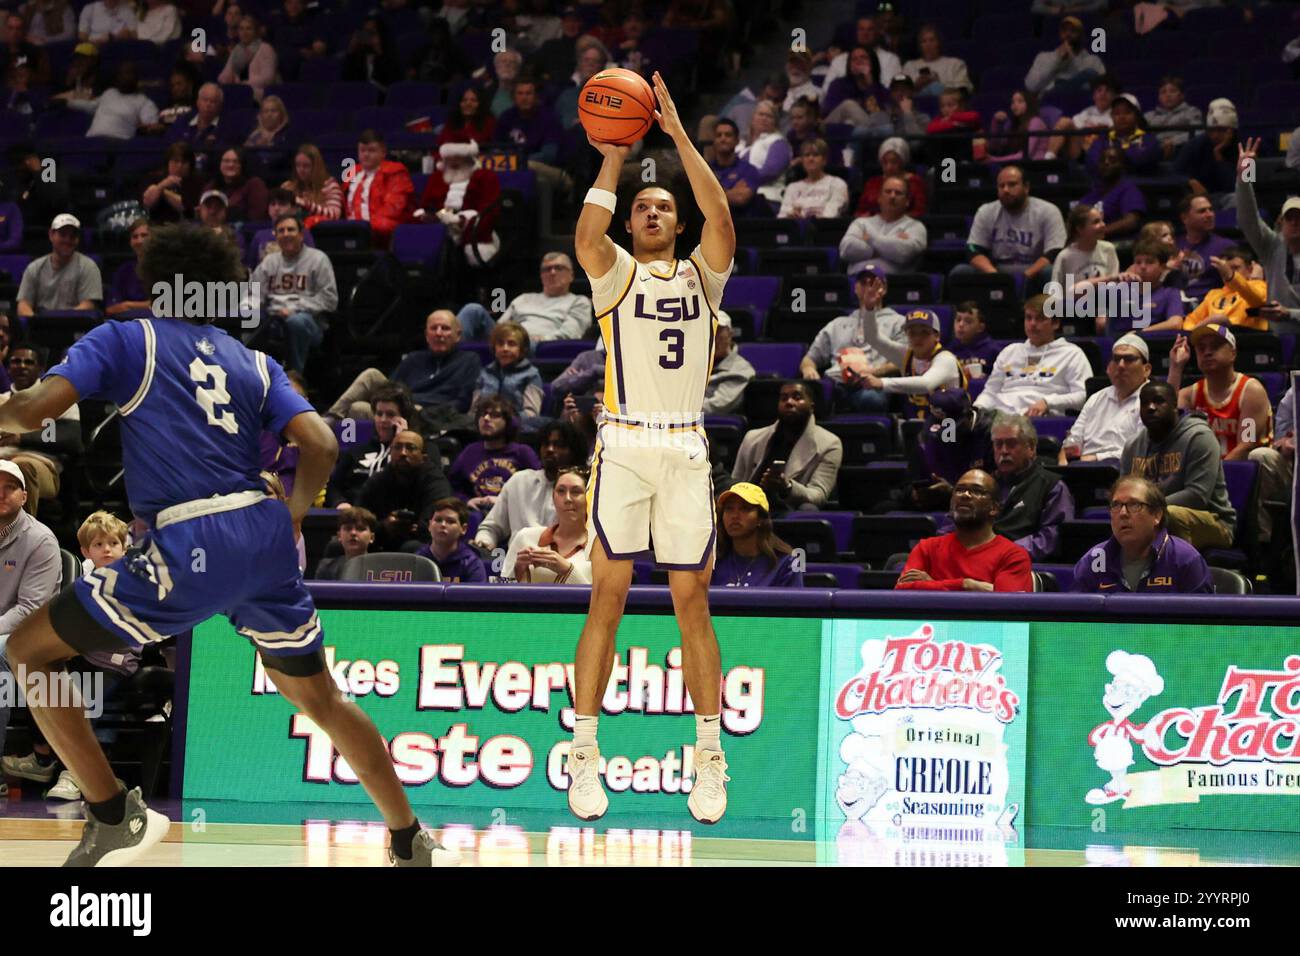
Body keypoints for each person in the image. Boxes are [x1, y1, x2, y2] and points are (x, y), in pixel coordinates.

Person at [0, 223, 459, 866]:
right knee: (319, 696)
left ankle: (111, 815)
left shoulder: (129, 339)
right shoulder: (256, 362)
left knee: (28, 650)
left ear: (160, 286)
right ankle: (410, 838)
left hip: (191, 534)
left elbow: (34, 412)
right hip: (263, 534)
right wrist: (297, 516)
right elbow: (322, 445)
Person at [567, 71, 735, 825]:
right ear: (632, 225)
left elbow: (721, 211)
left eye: (665, 206)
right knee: (607, 595)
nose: (655, 212)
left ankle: (708, 757)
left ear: (677, 221)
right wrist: (613, 152)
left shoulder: (706, 275)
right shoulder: (616, 275)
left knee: (690, 600)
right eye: (644, 207)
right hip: (625, 444)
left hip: (687, 450)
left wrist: (675, 137)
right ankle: (585, 751)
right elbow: (583, 236)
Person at [3, 509, 143, 801]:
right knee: (41, 684)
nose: (107, 549)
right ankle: (42, 759)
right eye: (99, 545)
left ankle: (74, 775)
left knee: (84, 697)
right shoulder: (82, 579)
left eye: (113, 544)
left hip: (115, 660)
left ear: (124, 547)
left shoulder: (132, 579)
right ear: (85, 551)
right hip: (82, 655)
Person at [0, 460, 63, 799]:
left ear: (24, 495)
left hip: (28, 637)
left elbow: (29, 611)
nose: (0, 492)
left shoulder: (41, 541)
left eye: (9, 487)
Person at [1121, 380, 1236, 550]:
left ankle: (1177, 573)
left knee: (1170, 515)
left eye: (1159, 401)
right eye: (1145, 403)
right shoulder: (1133, 445)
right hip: (1150, 516)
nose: (1151, 407)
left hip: (1213, 521)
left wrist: (1147, 509)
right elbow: (1124, 492)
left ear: (1175, 406)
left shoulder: (1199, 437)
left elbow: (1197, 496)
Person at [327, 310, 481, 422]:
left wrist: (425, 409)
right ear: (427, 336)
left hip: (428, 416)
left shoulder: (469, 360)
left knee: (361, 407)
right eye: (434, 328)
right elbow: (389, 391)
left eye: (445, 328)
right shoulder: (414, 358)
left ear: (458, 335)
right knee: (365, 389)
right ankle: (329, 421)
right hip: (400, 406)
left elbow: (462, 402)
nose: (439, 333)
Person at [896, 469, 1033, 592]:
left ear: (994, 508)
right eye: (959, 490)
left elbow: (1008, 605)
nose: (965, 495)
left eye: (977, 491)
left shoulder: (1013, 556)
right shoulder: (927, 548)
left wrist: (933, 585)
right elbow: (902, 590)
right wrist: (967, 585)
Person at [1072, 477, 1213, 593]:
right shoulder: (1094, 560)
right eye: (1116, 505)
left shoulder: (1186, 559)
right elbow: (1073, 620)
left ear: (1157, 515)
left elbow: (1203, 625)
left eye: (1134, 505)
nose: (1123, 513)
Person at [969, 413, 1075, 561]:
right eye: (999, 444)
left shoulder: (1052, 486)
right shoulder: (983, 484)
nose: (1004, 451)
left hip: (1020, 567)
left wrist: (1002, 552)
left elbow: (1051, 539)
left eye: (1011, 444)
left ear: (1031, 447)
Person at [800, 266, 905, 412]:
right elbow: (809, 359)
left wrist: (872, 372)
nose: (868, 288)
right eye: (863, 283)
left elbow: (904, 359)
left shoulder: (898, 322)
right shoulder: (837, 323)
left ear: (884, 289)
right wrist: (809, 369)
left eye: (873, 283)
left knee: (871, 400)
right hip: (834, 384)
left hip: (870, 384)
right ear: (855, 288)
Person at [471, 419, 585, 551]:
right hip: (516, 563)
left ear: (573, 450)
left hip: (562, 564)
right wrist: (484, 542)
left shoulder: (583, 489)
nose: (550, 449)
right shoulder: (519, 481)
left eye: (558, 445)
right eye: (546, 444)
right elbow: (491, 527)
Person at [732, 380, 843, 512]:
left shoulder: (829, 444)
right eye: (783, 398)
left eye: (797, 397)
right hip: (749, 509)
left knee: (808, 509)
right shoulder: (753, 438)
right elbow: (736, 482)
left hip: (789, 511)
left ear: (811, 405)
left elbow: (818, 496)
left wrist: (787, 487)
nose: (789, 402)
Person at [955, 165, 1066, 296]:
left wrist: (1025, 276)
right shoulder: (986, 211)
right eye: (1001, 186)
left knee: (1051, 271)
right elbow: (973, 250)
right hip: (997, 270)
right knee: (961, 271)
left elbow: (1055, 253)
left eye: (1012, 184)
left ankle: (1053, 314)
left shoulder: (1048, 211)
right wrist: (995, 276)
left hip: (1035, 271)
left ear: (1026, 187)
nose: (1006, 190)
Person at [248, 213, 338, 374]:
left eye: (291, 230)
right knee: (248, 321)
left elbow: (329, 299)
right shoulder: (270, 262)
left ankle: (295, 378)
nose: (286, 234)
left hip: (310, 321)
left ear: (301, 235)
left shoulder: (318, 259)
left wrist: (295, 308)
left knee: (296, 322)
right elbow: (254, 295)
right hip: (274, 319)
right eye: (281, 231)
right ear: (276, 236)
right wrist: (244, 310)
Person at [0, 343, 84, 514]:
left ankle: (22, 536)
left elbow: (70, 438)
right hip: (3, 460)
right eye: (16, 361)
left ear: (40, 368)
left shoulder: (55, 399)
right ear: (8, 368)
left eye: (28, 362)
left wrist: (20, 438)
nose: (22, 366)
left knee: (20, 467)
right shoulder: (2, 401)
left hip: (40, 464)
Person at [975, 294, 1091, 417]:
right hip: (1000, 418)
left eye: (1040, 318)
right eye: (1028, 318)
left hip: (1042, 418)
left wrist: (1049, 402)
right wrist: (975, 410)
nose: (1033, 324)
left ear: (1055, 323)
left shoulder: (1071, 354)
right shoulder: (1009, 352)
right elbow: (990, 392)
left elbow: (1083, 396)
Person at [849, 308, 966, 416]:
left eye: (924, 332)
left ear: (937, 336)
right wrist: (869, 309)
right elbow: (873, 339)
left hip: (950, 425)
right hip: (917, 427)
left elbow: (926, 384)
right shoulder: (906, 355)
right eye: (912, 333)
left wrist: (882, 383)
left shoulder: (946, 359)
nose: (917, 338)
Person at [455, 252, 592, 345]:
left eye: (559, 268)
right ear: (541, 276)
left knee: (524, 343)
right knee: (472, 310)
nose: (552, 272)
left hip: (538, 344)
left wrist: (531, 339)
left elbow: (570, 334)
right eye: (546, 269)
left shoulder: (579, 301)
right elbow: (499, 328)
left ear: (571, 275)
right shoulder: (524, 298)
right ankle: (450, 357)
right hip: (508, 340)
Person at [1236, 138, 1300, 331]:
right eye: (1290, 218)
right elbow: (1248, 218)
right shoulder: (1272, 248)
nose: (1295, 222)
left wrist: (1290, 314)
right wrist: (1245, 175)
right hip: (1278, 342)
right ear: (1281, 222)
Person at [1061, 333, 1150, 466]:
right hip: (1083, 469)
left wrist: (1096, 457)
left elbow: (1140, 451)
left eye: (1129, 359)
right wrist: (1063, 463)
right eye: (1116, 359)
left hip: (1125, 471)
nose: (1120, 365)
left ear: (1146, 369)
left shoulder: (1151, 399)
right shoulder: (1096, 398)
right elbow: (1073, 440)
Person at [493, 75, 567, 233]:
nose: (524, 98)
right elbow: (496, 148)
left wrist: (518, 161)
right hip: (514, 167)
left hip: (551, 171)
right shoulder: (507, 117)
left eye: (528, 93)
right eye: (520, 93)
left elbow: (549, 155)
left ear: (536, 96)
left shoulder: (549, 117)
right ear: (514, 97)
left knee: (529, 166)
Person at [356, 429, 453, 551]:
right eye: (397, 447)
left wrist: (411, 529)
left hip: (422, 542)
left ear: (423, 457)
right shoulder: (378, 479)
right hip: (382, 539)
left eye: (410, 448)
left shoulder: (435, 481)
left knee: (410, 547)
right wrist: (384, 527)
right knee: (340, 546)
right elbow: (359, 517)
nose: (403, 453)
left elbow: (436, 524)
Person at [413, 141, 502, 267]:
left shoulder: (486, 177)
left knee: (475, 253)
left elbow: (489, 213)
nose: (454, 161)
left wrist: (462, 221)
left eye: (459, 157)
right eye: (450, 157)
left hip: (475, 232)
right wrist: (432, 215)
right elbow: (428, 205)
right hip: (441, 228)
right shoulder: (437, 178)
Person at [325, 384, 413, 506]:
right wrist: (340, 503)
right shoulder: (356, 450)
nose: (383, 419)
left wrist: (400, 442)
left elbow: (409, 486)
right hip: (351, 516)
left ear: (404, 419)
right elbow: (333, 487)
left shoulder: (416, 453)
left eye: (390, 414)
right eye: (379, 413)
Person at [448, 395, 540, 511]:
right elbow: (452, 487)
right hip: (477, 514)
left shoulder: (522, 453)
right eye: (483, 414)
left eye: (494, 415)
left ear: (509, 422)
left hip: (513, 513)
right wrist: (466, 501)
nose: (486, 418)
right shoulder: (470, 451)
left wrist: (506, 502)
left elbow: (539, 488)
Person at [500, 466, 591, 584]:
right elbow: (503, 589)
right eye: (561, 491)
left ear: (590, 497)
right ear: (553, 498)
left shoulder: (599, 547)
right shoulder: (525, 537)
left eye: (576, 492)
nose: (567, 499)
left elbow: (601, 598)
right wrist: (517, 571)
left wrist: (568, 571)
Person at [1156, 247, 1268, 333]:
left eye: (1235, 268)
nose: (1227, 272)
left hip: (1244, 339)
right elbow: (1190, 321)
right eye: (1225, 268)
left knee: (1220, 319)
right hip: (1211, 339)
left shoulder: (1259, 286)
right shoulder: (1214, 294)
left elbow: (1256, 299)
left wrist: (1232, 277)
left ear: (1250, 269)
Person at [712, 482, 803, 587]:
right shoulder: (714, 560)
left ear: (760, 519)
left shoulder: (786, 562)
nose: (734, 516)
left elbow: (793, 602)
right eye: (729, 509)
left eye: (744, 508)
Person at [16, 213, 102, 316]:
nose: (67, 240)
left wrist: (58, 321)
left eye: (73, 236)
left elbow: (88, 305)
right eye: (63, 234)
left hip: (76, 325)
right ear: (51, 235)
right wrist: (37, 322)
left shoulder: (88, 267)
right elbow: (23, 304)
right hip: (40, 327)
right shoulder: (34, 268)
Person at [839, 174, 926, 276]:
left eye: (898, 193)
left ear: (907, 201)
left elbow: (904, 253)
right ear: (879, 198)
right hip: (857, 282)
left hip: (894, 285)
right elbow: (846, 250)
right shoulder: (861, 223)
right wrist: (891, 245)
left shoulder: (915, 227)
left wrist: (869, 239)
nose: (892, 196)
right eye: (888, 192)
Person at [1097, 238, 1185, 335]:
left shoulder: (1170, 293)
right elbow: (1080, 293)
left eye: (1149, 262)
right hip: (1115, 343)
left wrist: (1139, 334)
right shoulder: (1119, 289)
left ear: (1163, 267)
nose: (1142, 267)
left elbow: (1175, 323)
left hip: (1151, 344)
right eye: (1138, 262)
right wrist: (1112, 278)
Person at [344, 129, 414, 249]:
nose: (366, 154)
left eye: (371, 150)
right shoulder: (352, 172)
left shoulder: (396, 172)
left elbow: (392, 209)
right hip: (352, 231)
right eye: (362, 150)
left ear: (383, 152)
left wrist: (363, 228)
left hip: (382, 233)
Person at [471, 321, 544, 423]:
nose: (505, 348)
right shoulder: (485, 373)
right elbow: (474, 410)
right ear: (494, 348)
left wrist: (503, 421)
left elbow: (531, 414)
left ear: (522, 350)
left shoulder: (532, 375)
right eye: (500, 344)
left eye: (511, 344)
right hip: (484, 427)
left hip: (515, 430)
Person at [65, 61, 158, 140]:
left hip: (118, 144)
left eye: (128, 73)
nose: (124, 77)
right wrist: (68, 103)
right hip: (92, 140)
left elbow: (151, 125)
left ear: (136, 77)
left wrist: (147, 128)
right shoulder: (110, 93)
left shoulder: (144, 102)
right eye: (121, 73)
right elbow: (91, 106)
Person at [1172, 193, 1235, 304]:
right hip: (1175, 305)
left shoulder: (1226, 246)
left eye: (1210, 210)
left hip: (1210, 306)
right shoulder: (1172, 245)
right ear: (1184, 218)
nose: (1209, 214)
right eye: (1202, 211)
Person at [1051, 204, 1119, 306]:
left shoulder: (1108, 249)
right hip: (1074, 311)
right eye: (1096, 222)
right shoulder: (1065, 256)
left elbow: (1114, 284)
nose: (1103, 225)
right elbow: (1055, 295)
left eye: (1102, 220)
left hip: (1103, 306)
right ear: (1080, 229)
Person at [1174, 98, 1239, 202]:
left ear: (1232, 131)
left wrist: (1218, 157)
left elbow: (1247, 185)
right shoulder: (1195, 144)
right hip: (1200, 200)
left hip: (1232, 199)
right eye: (1212, 130)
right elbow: (1174, 173)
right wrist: (1190, 181)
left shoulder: (1247, 148)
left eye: (1222, 130)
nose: (1215, 135)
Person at [1076, 146, 1146, 241]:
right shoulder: (1093, 192)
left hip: (1118, 245)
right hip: (1090, 244)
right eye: (1102, 160)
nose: (1106, 162)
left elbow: (1131, 222)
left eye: (1112, 160)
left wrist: (1099, 232)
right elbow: (1077, 218)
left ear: (1122, 165)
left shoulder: (1128, 189)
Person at [1023, 14, 1104, 95]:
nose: (1068, 34)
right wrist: (1056, 61)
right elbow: (1030, 86)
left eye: (1073, 30)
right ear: (1060, 34)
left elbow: (1103, 88)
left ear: (1081, 35)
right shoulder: (1044, 57)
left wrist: (1073, 58)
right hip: (1052, 101)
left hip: (1081, 101)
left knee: (1090, 73)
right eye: (1064, 30)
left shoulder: (1093, 60)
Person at [1044, 74, 1117, 163]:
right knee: (1064, 122)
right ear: (1094, 96)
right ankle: (1049, 158)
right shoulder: (1087, 112)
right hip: (1080, 151)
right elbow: (1073, 127)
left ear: (1114, 96)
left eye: (1107, 91)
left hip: (1102, 152)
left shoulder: (1117, 113)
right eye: (1099, 90)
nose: (1103, 94)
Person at [1083, 93, 1159, 177]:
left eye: (1127, 112)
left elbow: (1144, 160)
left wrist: (1113, 156)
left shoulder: (1148, 139)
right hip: (1107, 186)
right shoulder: (1103, 139)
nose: (1122, 117)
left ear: (1136, 115)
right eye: (1117, 113)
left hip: (1138, 186)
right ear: (1112, 116)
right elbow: (1091, 162)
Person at [416, 497, 487, 582]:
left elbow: (477, 595)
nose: (443, 525)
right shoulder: (417, 560)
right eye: (438, 520)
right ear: (429, 525)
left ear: (463, 529)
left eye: (450, 521)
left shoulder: (472, 564)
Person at [854, 137, 926, 218]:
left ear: (902, 162)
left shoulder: (914, 182)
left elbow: (919, 212)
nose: (889, 167)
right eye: (885, 162)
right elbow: (859, 211)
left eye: (894, 162)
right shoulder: (872, 182)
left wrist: (892, 219)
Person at [708, 117, 766, 218]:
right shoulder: (706, 170)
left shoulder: (749, 170)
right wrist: (730, 192)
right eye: (719, 135)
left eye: (728, 135)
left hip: (742, 227)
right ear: (714, 141)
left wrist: (712, 193)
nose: (723, 138)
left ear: (737, 140)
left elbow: (740, 198)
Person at [778, 139, 849, 220]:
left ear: (824, 160)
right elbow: (782, 216)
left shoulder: (837, 184)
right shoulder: (792, 187)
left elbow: (832, 215)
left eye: (815, 155)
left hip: (824, 229)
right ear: (802, 160)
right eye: (807, 155)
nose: (811, 159)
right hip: (795, 229)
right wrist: (791, 215)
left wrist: (805, 219)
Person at [167, 83, 229, 170]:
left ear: (220, 106)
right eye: (205, 100)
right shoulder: (182, 121)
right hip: (179, 168)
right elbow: (171, 147)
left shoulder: (226, 127)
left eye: (213, 101)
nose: (208, 104)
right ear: (198, 102)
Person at [219, 13, 278, 101]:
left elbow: (268, 78)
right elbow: (223, 77)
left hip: (259, 93)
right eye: (241, 29)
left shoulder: (265, 49)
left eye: (249, 29)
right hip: (238, 91)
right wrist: (227, 77)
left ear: (256, 31)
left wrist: (244, 85)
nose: (244, 32)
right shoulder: (237, 49)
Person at [702, 314, 754, 415]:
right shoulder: (692, 364)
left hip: (711, 426)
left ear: (730, 334)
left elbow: (717, 407)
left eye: (718, 330)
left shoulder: (740, 369)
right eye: (707, 330)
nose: (712, 336)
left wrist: (678, 412)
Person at [283, 144, 343, 231]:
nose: (301, 170)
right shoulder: (289, 187)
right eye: (298, 165)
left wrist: (305, 204)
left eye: (306, 166)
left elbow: (334, 214)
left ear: (316, 167)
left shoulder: (330, 185)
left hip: (322, 235)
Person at [141, 142, 204, 224]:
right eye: (176, 161)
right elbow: (147, 203)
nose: (179, 166)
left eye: (184, 162)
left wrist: (162, 191)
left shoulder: (196, 181)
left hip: (186, 228)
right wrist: (162, 185)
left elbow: (187, 209)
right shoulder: (154, 178)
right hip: (157, 226)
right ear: (168, 162)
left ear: (190, 164)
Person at [903, 23, 971, 96]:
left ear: (938, 43)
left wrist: (939, 84)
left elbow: (963, 92)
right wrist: (916, 86)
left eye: (932, 40)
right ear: (919, 46)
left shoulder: (955, 64)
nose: (928, 45)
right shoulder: (909, 66)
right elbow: (901, 94)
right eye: (923, 41)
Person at [206, 146, 268, 224]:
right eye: (226, 161)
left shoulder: (255, 184)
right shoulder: (212, 185)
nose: (230, 165)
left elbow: (257, 217)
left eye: (236, 161)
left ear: (242, 165)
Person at [313, 505, 376, 580]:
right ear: (339, 536)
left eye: (360, 528)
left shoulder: (381, 567)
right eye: (348, 528)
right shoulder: (326, 567)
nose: (353, 533)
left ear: (371, 537)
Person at [986, 90, 1049, 163]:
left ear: (1029, 104)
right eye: (1013, 102)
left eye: (1020, 101)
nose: (1015, 105)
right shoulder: (1013, 124)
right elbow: (995, 147)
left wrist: (994, 159)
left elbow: (1026, 154)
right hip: (1020, 164)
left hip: (1036, 165)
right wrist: (995, 122)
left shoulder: (1035, 121)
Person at [1147, 76, 1203, 160]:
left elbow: (1199, 132)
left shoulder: (1192, 112)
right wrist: (1161, 144)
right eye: (1163, 92)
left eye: (1173, 91)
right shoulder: (1149, 116)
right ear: (1159, 97)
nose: (1167, 95)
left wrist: (1173, 142)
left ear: (1182, 95)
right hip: (1155, 154)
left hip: (1183, 153)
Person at [106, 218, 152, 316]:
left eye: (144, 235)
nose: (139, 241)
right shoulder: (124, 271)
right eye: (135, 237)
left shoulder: (165, 268)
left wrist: (128, 305)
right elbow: (110, 309)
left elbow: (165, 306)